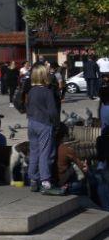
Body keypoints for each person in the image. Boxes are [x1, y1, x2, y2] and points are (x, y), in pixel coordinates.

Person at [25, 63, 61, 193]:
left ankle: (33, 179)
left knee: (34, 151)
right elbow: (53, 111)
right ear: (44, 76)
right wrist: (56, 124)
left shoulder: (31, 91)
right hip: (44, 124)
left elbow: (27, 107)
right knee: (45, 152)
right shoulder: (47, 92)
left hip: (32, 123)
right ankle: (45, 181)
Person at [49, 123, 88, 196]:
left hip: (51, 182)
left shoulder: (48, 148)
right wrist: (85, 167)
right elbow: (81, 167)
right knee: (90, 180)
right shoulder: (66, 149)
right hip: (64, 182)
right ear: (64, 135)